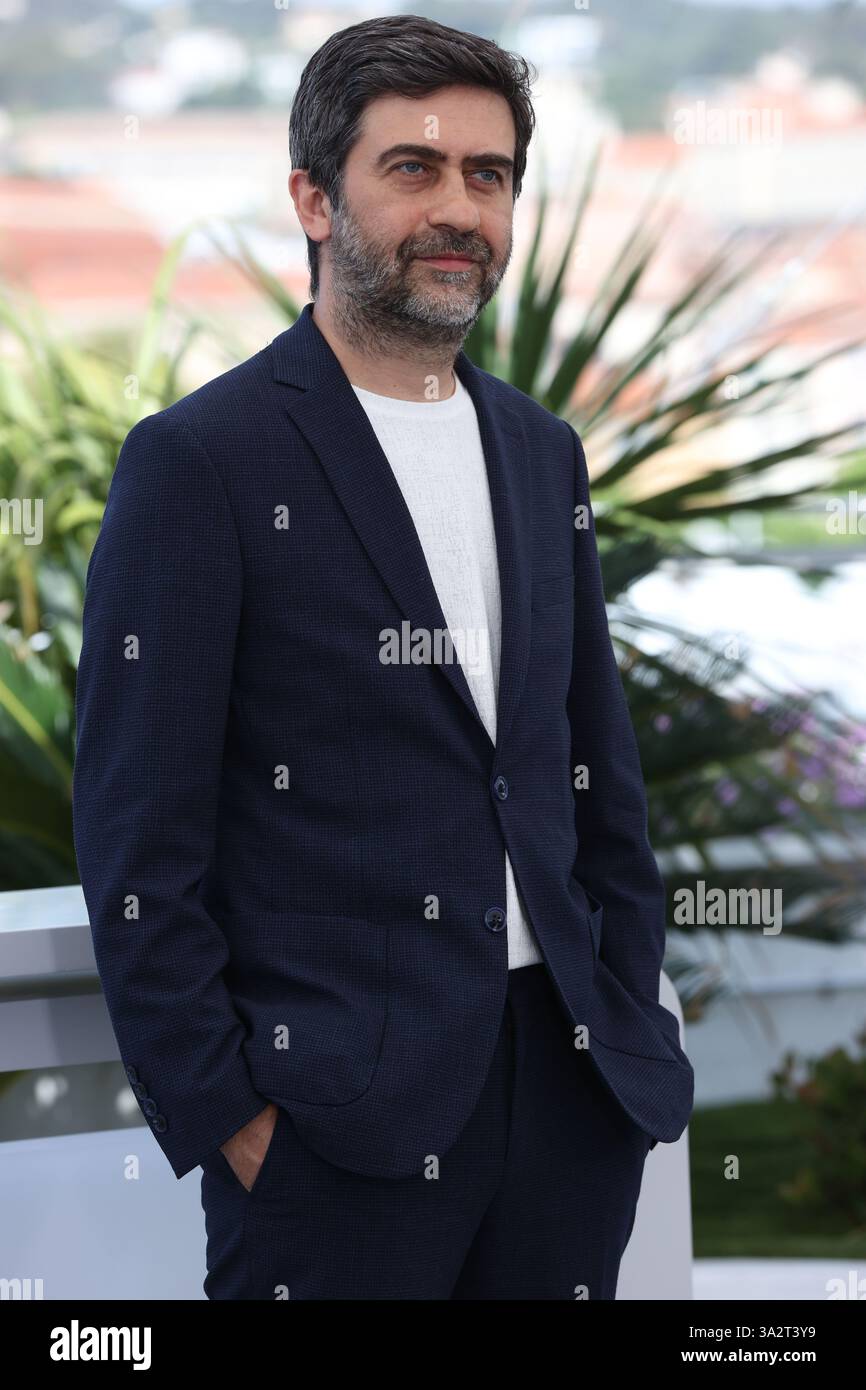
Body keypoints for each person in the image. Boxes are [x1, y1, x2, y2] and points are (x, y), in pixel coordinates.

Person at [72, 14, 694, 1301]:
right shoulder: (202, 462)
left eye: (490, 174)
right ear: (312, 198)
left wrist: (627, 1019)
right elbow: (139, 831)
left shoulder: (541, 454)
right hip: (329, 1125)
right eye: (411, 169)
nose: (458, 207)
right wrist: (233, 1120)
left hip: (569, 1092)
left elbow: (593, 772)